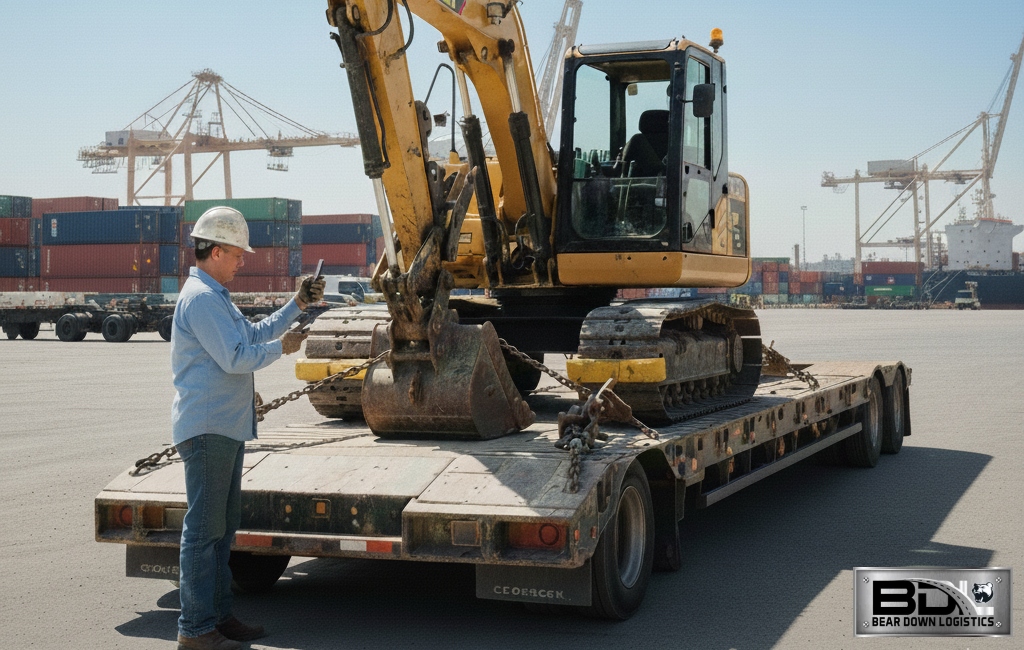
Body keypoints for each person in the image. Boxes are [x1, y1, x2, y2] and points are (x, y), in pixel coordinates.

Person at [170, 206, 325, 650]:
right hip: (207, 430)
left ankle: (217, 618)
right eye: (237, 253)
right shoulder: (201, 298)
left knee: (221, 528)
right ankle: (195, 629)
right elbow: (237, 358)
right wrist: (284, 347)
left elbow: (250, 336)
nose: (243, 261)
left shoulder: (214, 295)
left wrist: (297, 305)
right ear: (215, 251)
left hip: (224, 427)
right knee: (203, 532)